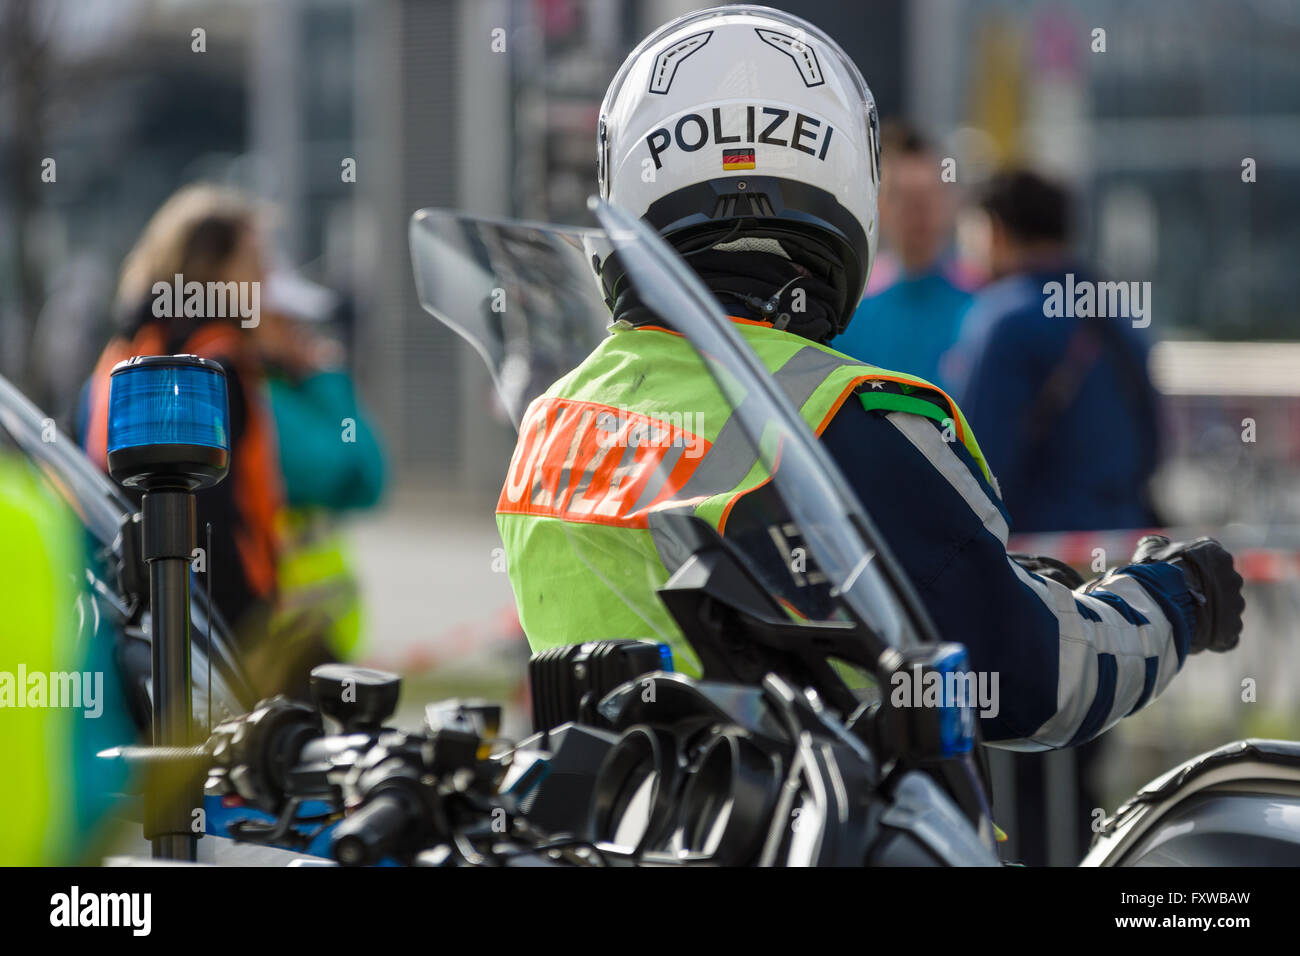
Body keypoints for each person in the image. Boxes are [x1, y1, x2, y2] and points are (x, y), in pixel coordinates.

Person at [495, 7, 1244, 757]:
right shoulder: (850, 418)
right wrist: (1179, 598)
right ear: (847, 181)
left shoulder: (552, 419)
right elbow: (1038, 680)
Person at [82, 185, 285, 650]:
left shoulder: (122, 358)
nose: (266, 280)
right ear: (213, 272)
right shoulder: (213, 373)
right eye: (253, 265)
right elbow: (211, 524)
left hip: (128, 612)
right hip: (218, 626)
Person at [946, 170, 1162, 533]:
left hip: (1038, 554)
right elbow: (1153, 437)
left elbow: (979, 460)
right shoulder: (1116, 308)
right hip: (1125, 543)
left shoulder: (1003, 316)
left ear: (994, 230)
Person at [829, 123, 973, 390]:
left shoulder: (981, 306)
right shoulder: (849, 310)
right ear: (878, 203)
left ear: (953, 201)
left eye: (931, 196)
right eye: (904, 198)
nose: (919, 214)